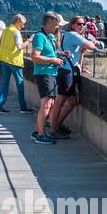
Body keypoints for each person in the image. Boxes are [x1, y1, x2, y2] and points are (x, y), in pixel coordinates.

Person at [49, 15, 104, 139]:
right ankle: (53, 130)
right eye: (79, 24)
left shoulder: (68, 35)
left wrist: (82, 53)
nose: (82, 26)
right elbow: (91, 46)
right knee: (60, 101)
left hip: (67, 70)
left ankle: (56, 126)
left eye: (83, 24)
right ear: (72, 25)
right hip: (66, 72)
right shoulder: (73, 35)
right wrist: (97, 44)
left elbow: (78, 56)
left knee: (72, 101)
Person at [27, 12, 65, 144]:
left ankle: (37, 131)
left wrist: (59, 54)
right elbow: (34, 56)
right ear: (49, 23)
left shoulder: (49, 37)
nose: (57, 27)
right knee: (47, 104)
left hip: (51, 73)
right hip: (44, 73)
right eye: (56, 25)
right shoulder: (40, 36)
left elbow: (48, 53)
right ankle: (41, 135)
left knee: (50, 103)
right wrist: (53, 59)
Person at [0, 13, 33, 114]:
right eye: (23, 24)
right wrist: (29, 40)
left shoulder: (6, 30)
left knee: (4, 84)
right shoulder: (16, 32)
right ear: (18, 22)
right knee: (20, 84)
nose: (24, 26)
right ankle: (23, 107)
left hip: (4, 60)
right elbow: (19, 46)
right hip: (14, 61)